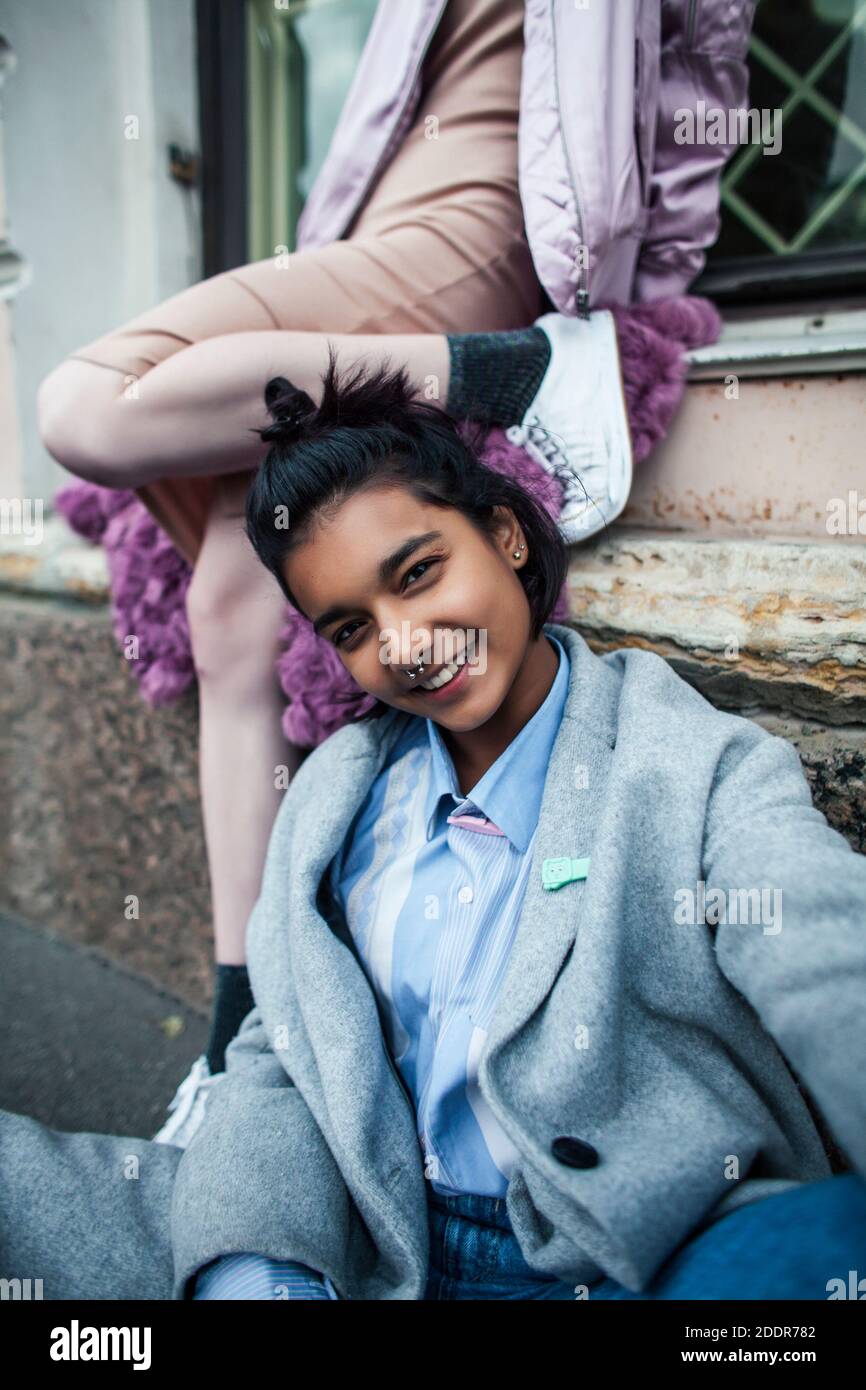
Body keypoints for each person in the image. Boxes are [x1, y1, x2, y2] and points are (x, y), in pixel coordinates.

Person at [35, 0, 755, 1138]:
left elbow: (701, 72)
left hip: (483, 237)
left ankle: (504, 373)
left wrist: (632, 296)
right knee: (230, 599)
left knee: (84, 405)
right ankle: (242, 1038)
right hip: (372, 245)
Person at [3, 352, 864, 1301]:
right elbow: (282, 1054)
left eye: (418, 573)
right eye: (351, 628)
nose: (404, 645)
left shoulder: (691, 768)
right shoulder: (339, 800)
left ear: (506, 536)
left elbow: (822, 947)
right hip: (378, 1239)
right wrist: (261, 1273)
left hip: (637, 1257)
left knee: (820, 1250)